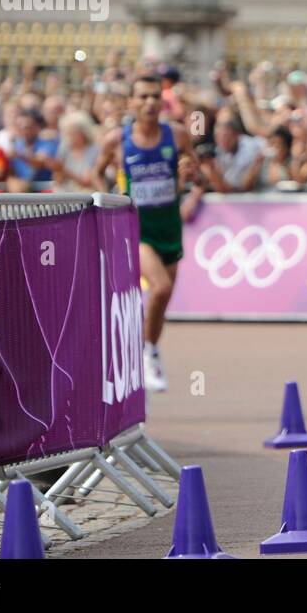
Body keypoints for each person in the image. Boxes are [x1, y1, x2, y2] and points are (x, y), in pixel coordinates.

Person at [93, 75, 200, 391]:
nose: (150, 102)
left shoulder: (177, 135)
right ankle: (145, 352)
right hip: (136, 229)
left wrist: (187, 173)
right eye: (143, 97)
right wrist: (111, 203)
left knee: (161, 301)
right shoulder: (117, 140)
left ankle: (148, 350)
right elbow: (97, 174)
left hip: (169, 226)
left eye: (155, 96)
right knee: (161, 288)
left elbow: (192, 169)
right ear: (132, 103)